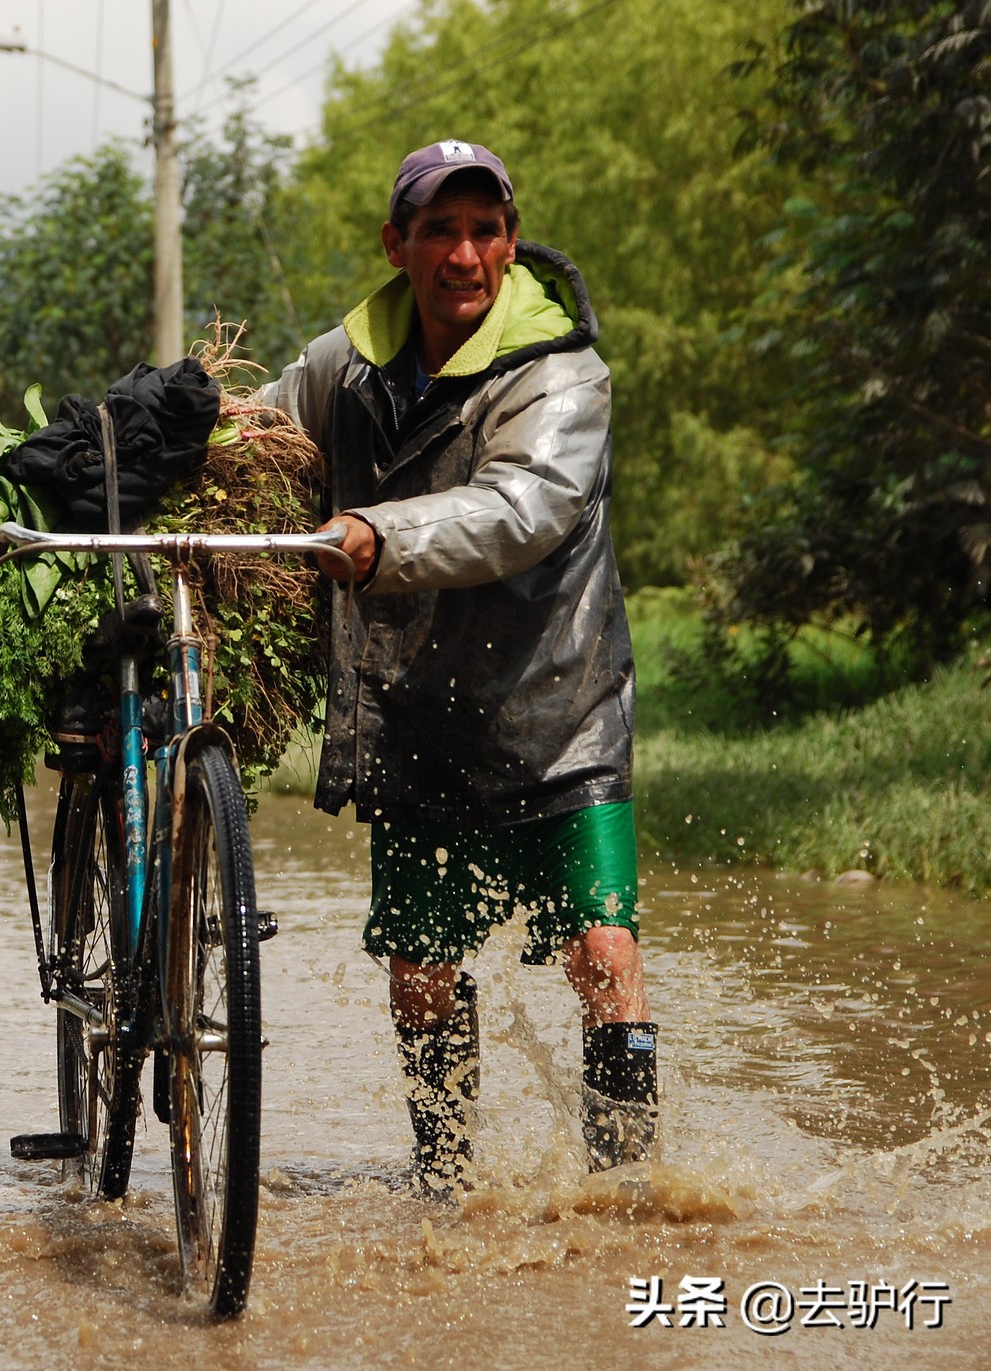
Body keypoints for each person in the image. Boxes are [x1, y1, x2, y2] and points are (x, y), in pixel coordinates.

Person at [261, 140, 657, 1196]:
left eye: (484, 230)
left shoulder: (561, 372)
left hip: (558, 709)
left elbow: (520, 507)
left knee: (602, 958)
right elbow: (258, 437)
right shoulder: (336, 369)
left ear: (510, 243)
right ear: (396, 246)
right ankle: (445, 1189)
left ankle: (622, 1193)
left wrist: (372, 535)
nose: (463, 254)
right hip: (412, 713)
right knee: (420, 977)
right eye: (438, 230)